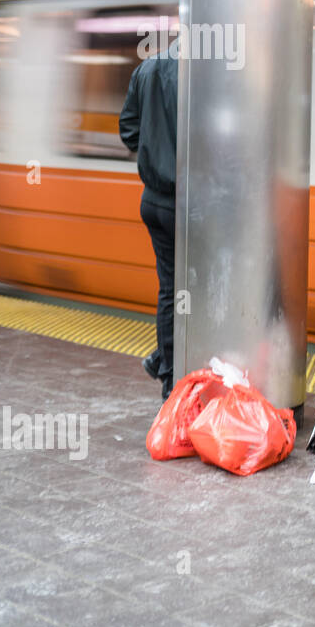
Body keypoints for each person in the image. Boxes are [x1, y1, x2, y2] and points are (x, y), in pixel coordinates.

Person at [118, 50, 178, 399]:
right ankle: (168, 369)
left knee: (171, 289)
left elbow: (128, 130)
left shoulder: (147, 68)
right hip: (186, 205)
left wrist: (153, 153)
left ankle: (164, 362)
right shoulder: (203, 73)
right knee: (190, 291)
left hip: (152, 199)